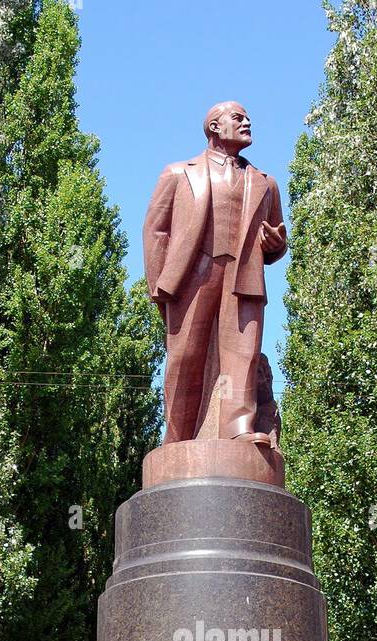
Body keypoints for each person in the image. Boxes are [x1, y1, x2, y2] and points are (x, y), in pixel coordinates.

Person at [143, 101, 288, 445]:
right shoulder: (179, 173)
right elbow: (156, 229)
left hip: (244, 277)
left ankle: (239, 428)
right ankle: (176, 439)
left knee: (243, 355)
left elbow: (278, 238)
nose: (247, 122)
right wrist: (160, 284)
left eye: (248, 118)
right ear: (214, 127)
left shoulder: (266, 183)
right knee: (184, 358)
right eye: (238, 118)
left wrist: (276, 244)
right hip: (194, 275)